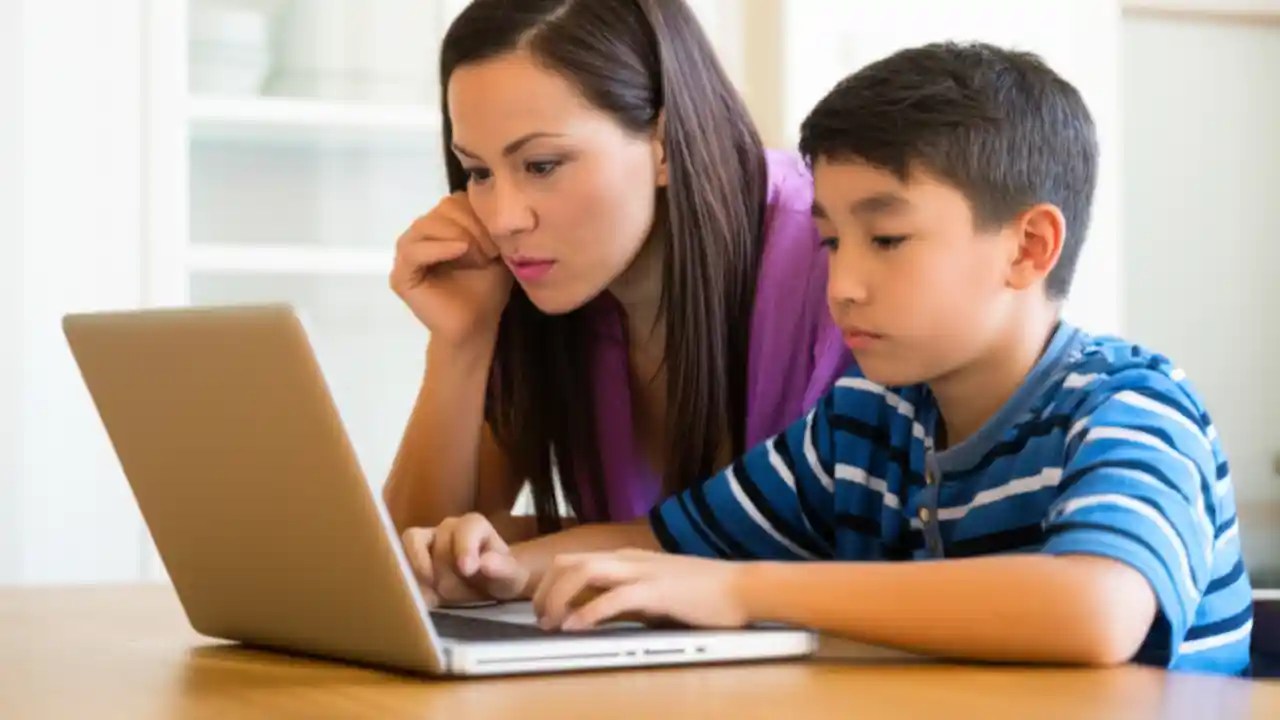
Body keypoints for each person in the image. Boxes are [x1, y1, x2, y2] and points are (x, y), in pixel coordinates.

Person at [421, 42, 1255, 675]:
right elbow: (670, 540)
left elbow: (1096, 610)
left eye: (886, 239)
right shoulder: (862, 425)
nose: (844, 285)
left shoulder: (1131, 404)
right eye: (829, 240)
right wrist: (504, 569)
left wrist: (748, 591)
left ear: (1029, 246)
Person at [383, 0, 850, 600]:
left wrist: (536, 554)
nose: (502, 219)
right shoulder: (545, 284)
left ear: (662, 141)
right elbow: (414, 567)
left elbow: (833, 542)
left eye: (542, 165)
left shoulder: (835, 254)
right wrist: (461, 343)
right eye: (477, 172)